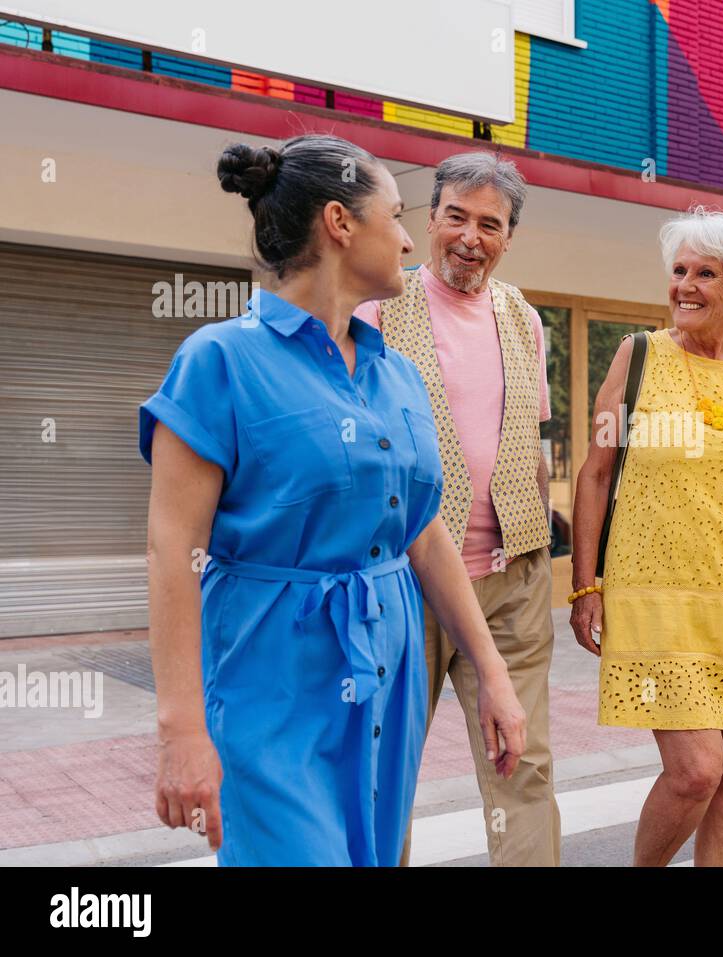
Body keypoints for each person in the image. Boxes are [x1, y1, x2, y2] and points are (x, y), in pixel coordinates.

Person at [141, 134, 525, 866]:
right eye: (396, 215)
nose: (413, 238)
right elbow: (171, 554)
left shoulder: (398, 376)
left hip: (389, 666)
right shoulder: (220, 361)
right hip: (271, 674)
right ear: (340, 224)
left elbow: (424, 532)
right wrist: (181, 730)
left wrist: (493, 674)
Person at [570, 206, 723, 867]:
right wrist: (585, 584)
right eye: (679, 271)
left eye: (706, 272)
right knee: (697, 770)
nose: (687, 286)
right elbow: (594, 475)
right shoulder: (639, 354)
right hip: (656, 599)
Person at [355, 151, 560, 867]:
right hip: (403, 582)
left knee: (522, 761)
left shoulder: (524, 318)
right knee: (384, 772)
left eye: (490, 224)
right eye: (456, 217)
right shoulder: (375, 307)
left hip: (510, 580)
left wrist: (537, 545)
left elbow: (529, 444)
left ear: (509, 236)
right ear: (429, 219)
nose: (471, 236)